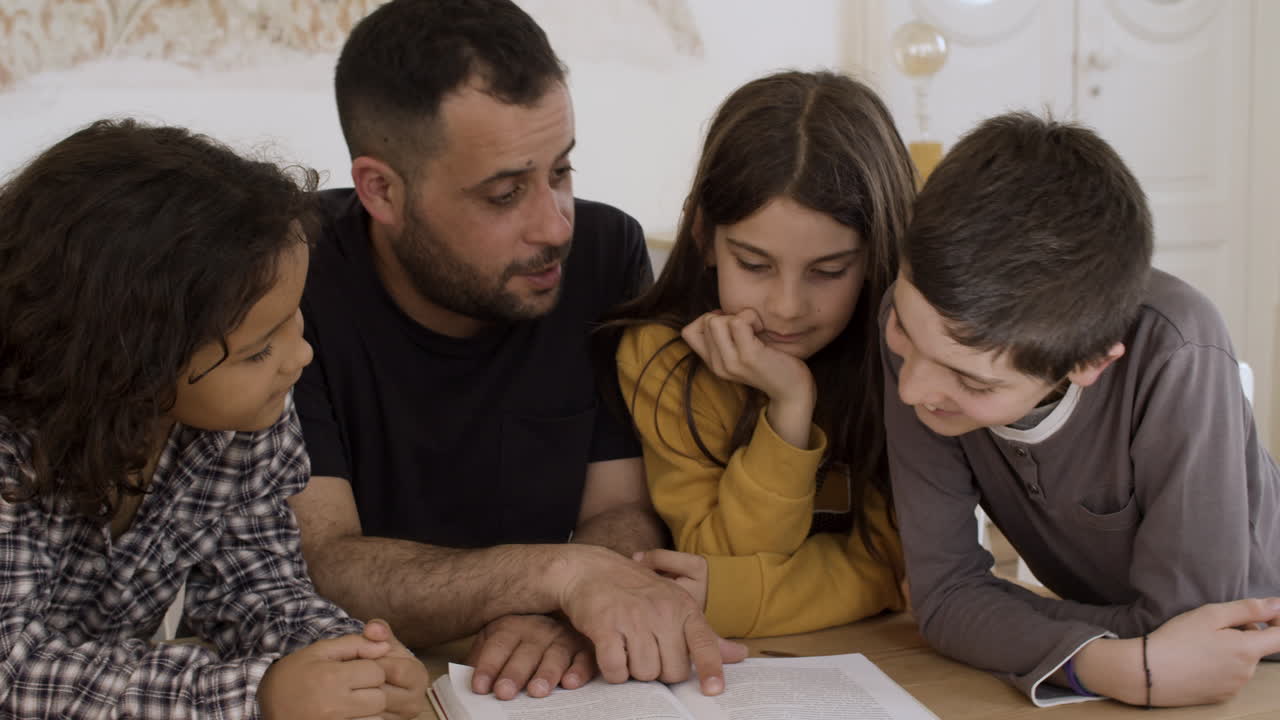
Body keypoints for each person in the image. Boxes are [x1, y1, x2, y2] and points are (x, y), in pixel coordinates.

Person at [290, 0, 744, 701]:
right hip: (357, 687)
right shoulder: (288, 275)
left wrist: (565, 605)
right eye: (505, 194)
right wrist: (558, 578)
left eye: (561, 171)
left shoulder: (605, 252)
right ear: (381, 190)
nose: (555, 226)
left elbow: (620, 510)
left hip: (540, 681)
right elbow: (323, 563)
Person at [0, 119, 429, 719]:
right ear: (127, 368)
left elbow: (253, 586)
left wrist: (344, 658)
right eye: (258, 350)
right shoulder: (14, 456)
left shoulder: (243, 417)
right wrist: (258, 694)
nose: (299, 357)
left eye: (294, 318)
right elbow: (11, 672)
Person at [881, 111, 1280, 708]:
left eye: (970, 381)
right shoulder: (921, 318)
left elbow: (1192, 635)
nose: (912, 389)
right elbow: (942, 599)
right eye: (904, 333)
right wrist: (1098, 661)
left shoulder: (1177, 349)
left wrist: (995, 617)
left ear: (1090, 361)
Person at [605, 70, 914, 638]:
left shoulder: (908, 361)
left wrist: (735, 596)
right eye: (754, 264)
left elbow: (895, 565)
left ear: (876, 257)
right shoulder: (660, 360)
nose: (787, 308)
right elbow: (723, 557)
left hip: (880, 655)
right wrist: (789, 406)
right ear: (704, 237)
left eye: (828, 271)